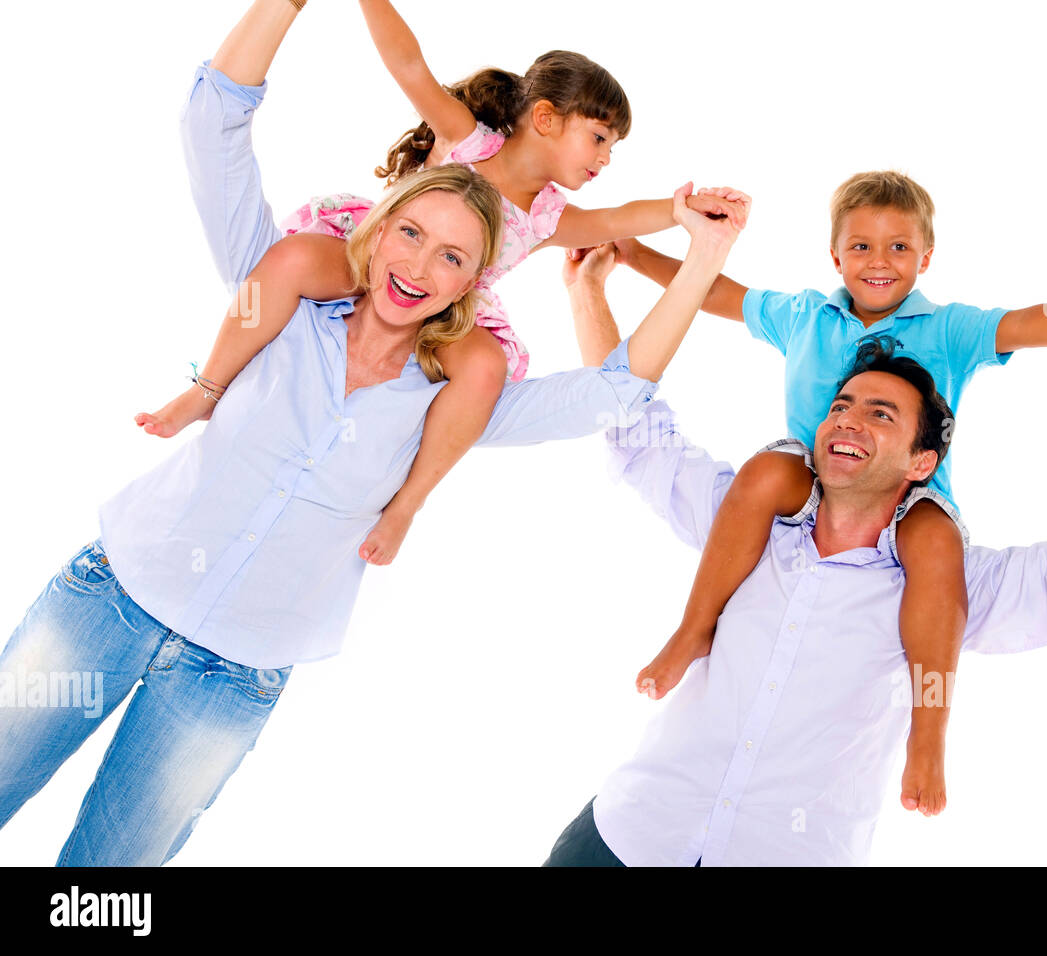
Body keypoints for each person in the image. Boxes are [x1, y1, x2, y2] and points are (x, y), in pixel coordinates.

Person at [0, 10, 745, 866]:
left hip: (234, 674)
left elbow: (615, 391)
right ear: (382, 223)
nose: (423, 268)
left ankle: (406, 503)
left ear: (477, 285)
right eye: (413, 236)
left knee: (103, 883)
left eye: (457, 260)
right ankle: (202, 391)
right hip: (113, 594)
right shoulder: (281, 294)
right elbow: (220, 119)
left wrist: (699, 247)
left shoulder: (460, 389)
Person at [543, 256, 1047, 865]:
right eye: (842, 404)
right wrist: (586, 291)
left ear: (922, 462)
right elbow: (635, 432)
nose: (846, 418)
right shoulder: (748, 523)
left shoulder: (943, 588)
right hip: (629, 836)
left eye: (881, 415)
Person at [611, 171, 1047, 817]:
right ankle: (694, 630)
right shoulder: (803, 315)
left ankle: (928, 734)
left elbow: (1035, 321)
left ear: (925, 258)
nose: (878, 262)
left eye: (897, 248)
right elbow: (716, 292)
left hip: (910, 496)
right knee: (764, 474)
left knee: (935, 546)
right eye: (860, 247)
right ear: (835, 257)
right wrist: (634, 254)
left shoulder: (949, 329)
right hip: (808, 478)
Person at [137, 0, 748, 567]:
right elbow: (408, 63)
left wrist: (682, 209)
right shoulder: (468, 139)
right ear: (545, 118)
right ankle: (209, 388)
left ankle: (408, 503)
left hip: (443, 309)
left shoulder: (549, 217)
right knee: (289, 263)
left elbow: (622, 218)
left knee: (483, 371)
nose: (605, 158)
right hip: (374, 260)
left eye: (612, 148)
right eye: (599, 139)